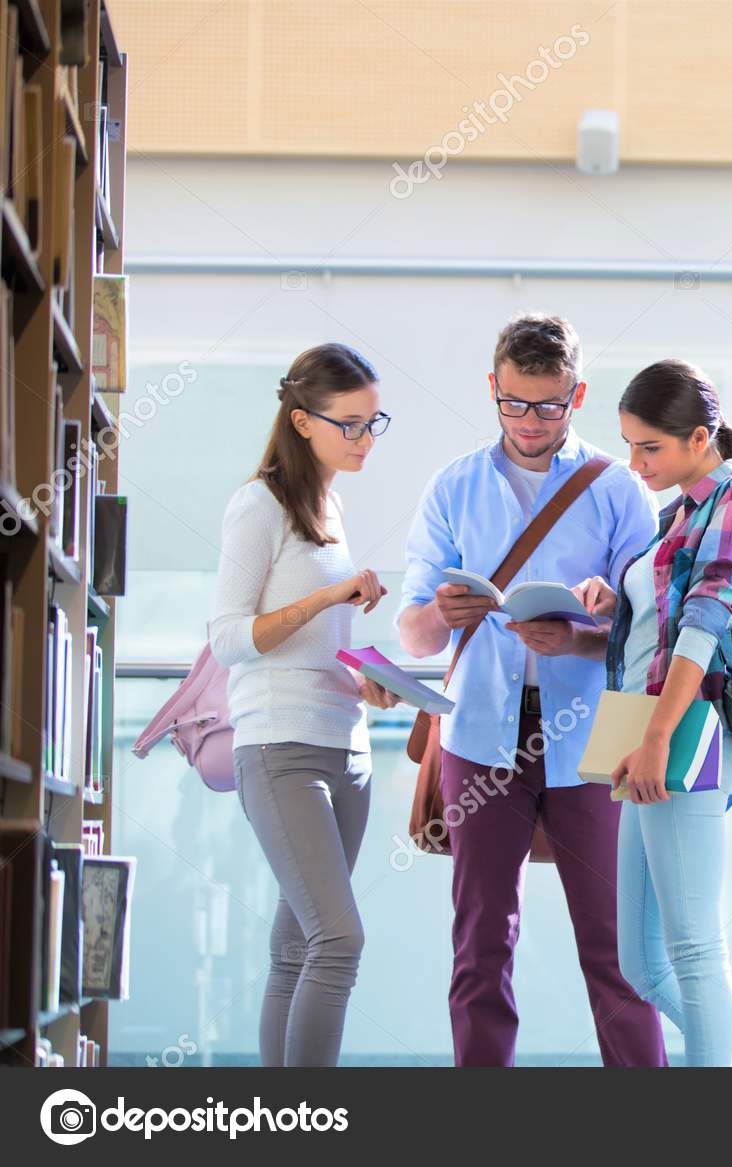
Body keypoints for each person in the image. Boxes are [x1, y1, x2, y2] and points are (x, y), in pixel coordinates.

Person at [395, 313, 667, 1067]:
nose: (530, 421)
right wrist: (437, 615)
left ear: (577, 396)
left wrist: (580, 634)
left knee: (617, 948)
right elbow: (412, 634)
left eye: (548, 405)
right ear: (492, 389)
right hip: (480, 734)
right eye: (513, 402)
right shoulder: (453, 486)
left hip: (591, 738)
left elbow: (652, 634)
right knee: (481, 942)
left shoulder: (619, 488)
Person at [571, 358, 732, 1067]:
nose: (634, 462)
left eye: (649, 447)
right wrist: (615, 600)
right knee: (642, 962)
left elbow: (708, 619)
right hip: (641, 726)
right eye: (628, 445)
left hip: (687, 731)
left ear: (699, 437)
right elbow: (665, 618)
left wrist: (658, 736)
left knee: (692, 946)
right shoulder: (681, 510)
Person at [209, 342, 403, 1067]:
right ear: (299, 420)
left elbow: (315, 649)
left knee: (297, 948)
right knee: (339, 939)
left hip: (343, 745)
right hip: (281, 751)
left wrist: (369, 681)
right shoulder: (256, 505)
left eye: (372, 422)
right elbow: (229, 637)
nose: (363, 439)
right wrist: (329, 592)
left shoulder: (331, 502)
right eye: (348, 423)